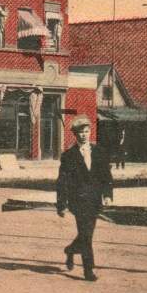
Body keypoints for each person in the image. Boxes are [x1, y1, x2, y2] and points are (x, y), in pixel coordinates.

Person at [56, 115, 113, 282]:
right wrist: (61, 204)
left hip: (95, 201)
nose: (84, 135)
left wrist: (108, 194)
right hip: (78, 202)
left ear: (90, 133)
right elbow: (62, 181)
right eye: (80, 132)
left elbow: (106, 176)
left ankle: (71, 250)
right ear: (75, 134)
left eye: (87, 132)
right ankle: (89, 271)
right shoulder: (69, 155)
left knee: (86, 234)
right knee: (87, 236)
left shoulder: (99, 152)